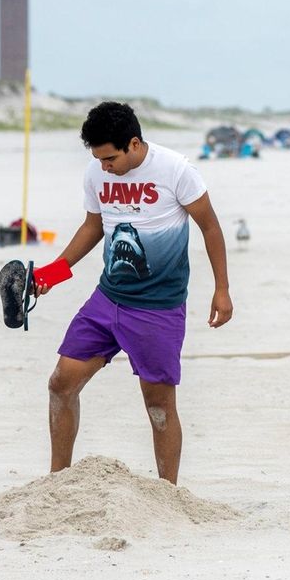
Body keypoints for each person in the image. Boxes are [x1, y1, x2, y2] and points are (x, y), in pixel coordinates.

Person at [36, 101, 233, 485]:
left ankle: (167, 492)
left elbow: (210, 226)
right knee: (61, 384)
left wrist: (221, 289)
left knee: (159, 405)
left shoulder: (176, 170)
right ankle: (56, 483)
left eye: (110, 158)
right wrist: (53, 273)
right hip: (107, 299)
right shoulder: (96, 172)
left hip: (157, 309)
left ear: (134, 143)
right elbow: (93, 226)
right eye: (98, 159)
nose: (104, 167)